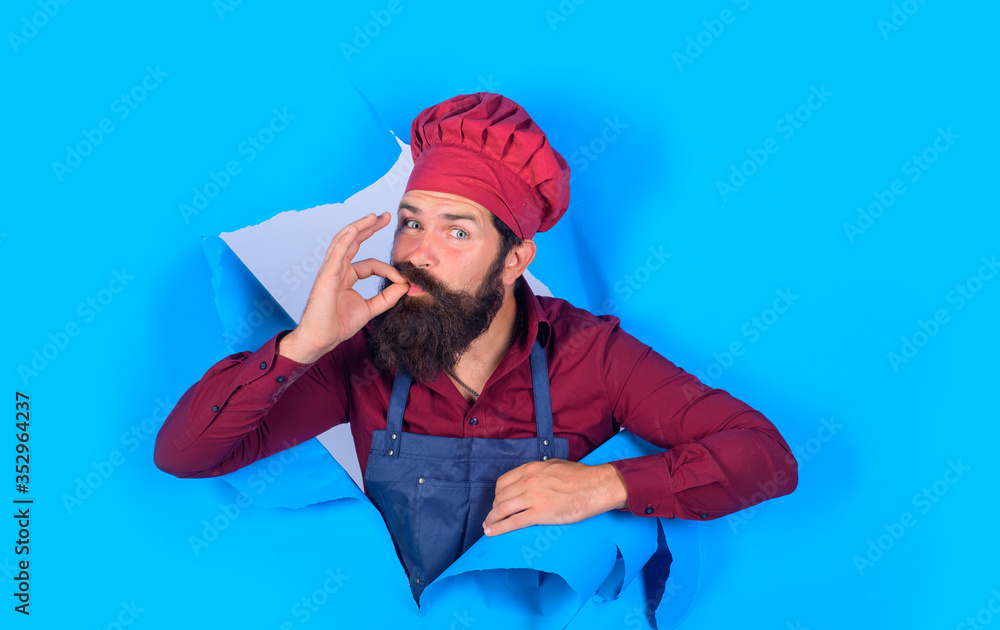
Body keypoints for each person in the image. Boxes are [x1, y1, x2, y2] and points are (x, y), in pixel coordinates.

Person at [154, 92, 798, 601]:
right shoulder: (362, 354)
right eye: (411, 224)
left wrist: (606, 486)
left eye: (456, 233)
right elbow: (186, 454)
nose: (417, 255)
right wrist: (303, 344)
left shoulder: (593, 355)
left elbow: (764, 455)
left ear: (515, 257)